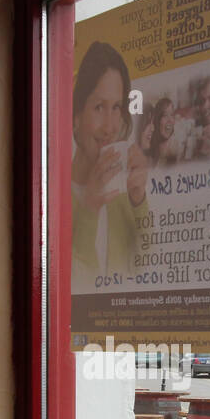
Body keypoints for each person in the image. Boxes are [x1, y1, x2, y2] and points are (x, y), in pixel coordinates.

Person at [71, 41, 150, 295]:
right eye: (98, 107)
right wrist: (89, 209)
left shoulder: (123, 196)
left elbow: (151, 273)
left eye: (116, 107)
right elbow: (76, 292)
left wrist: (139, 201)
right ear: (76, 118)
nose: (110, 127)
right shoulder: (54, 197)